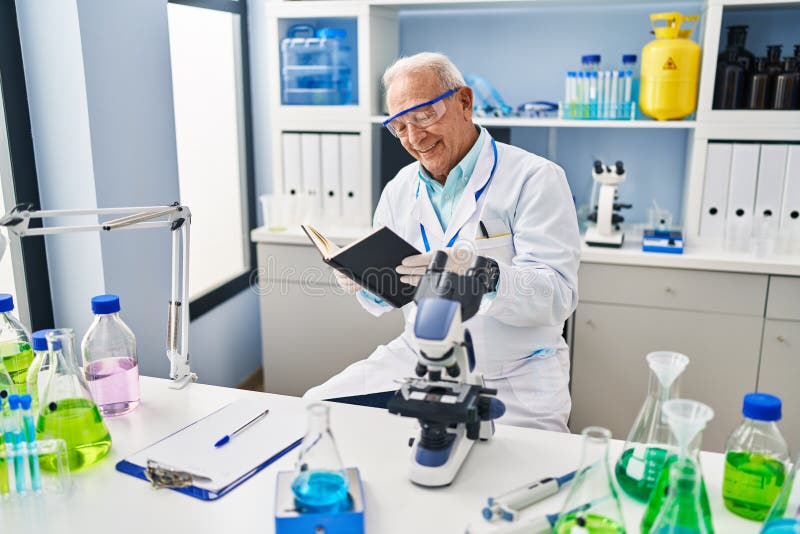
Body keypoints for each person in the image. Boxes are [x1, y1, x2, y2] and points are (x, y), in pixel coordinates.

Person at [304, 52, 580, 432]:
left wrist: (483, 274)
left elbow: (557, 296)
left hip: (516, 372)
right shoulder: (399, 188)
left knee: (512, 461)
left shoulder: (535, 178)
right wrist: (364, 279)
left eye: (423, 115)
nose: (415, 137)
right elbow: (395, 292)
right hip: (422, 359)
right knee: (317, 408)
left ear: (464, 102)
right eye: (400, 126)